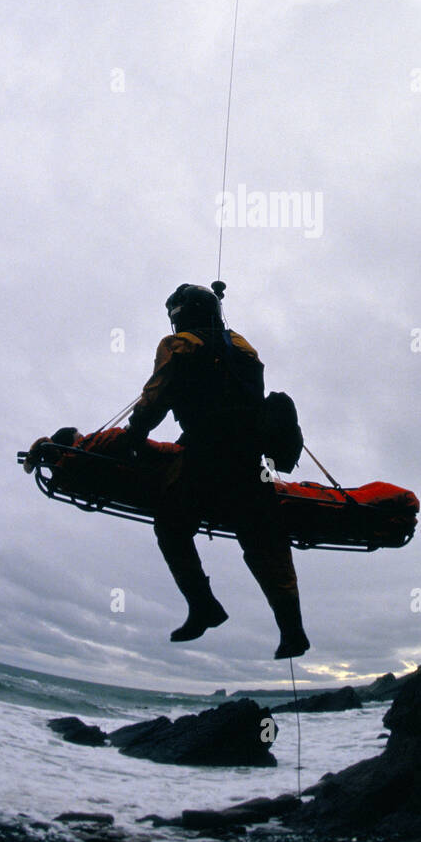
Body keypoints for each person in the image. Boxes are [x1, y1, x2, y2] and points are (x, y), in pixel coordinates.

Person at [120, 282, 310, 660]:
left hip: (205, 456)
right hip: (250, 464)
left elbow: (156, 398)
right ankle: (293, 632)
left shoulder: (179, 345)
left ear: (181, 315)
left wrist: (133, 435)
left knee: (171, 527)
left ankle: (204, 606)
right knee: (266, 546)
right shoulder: (245, 349)